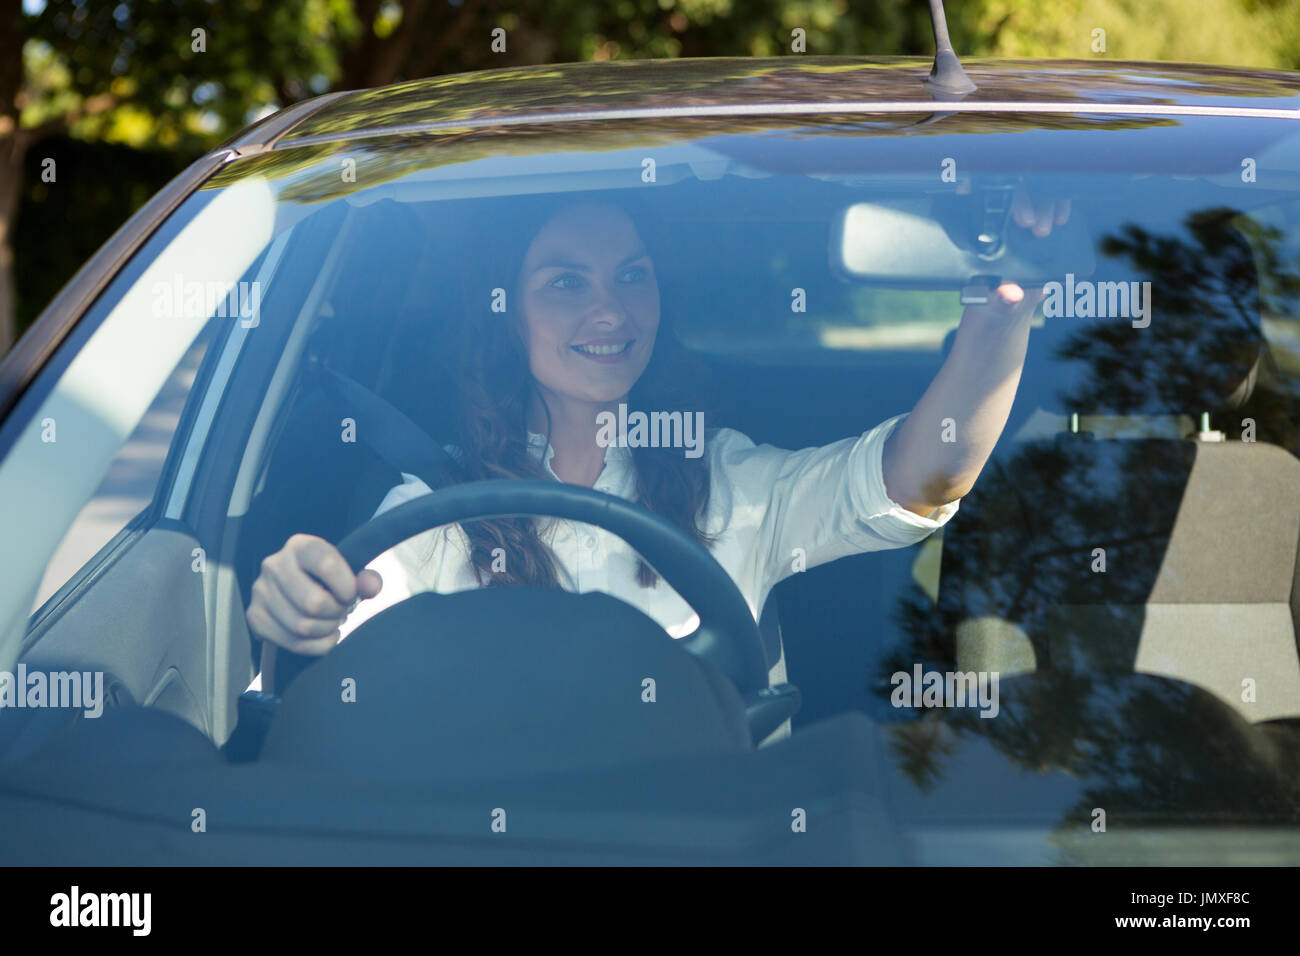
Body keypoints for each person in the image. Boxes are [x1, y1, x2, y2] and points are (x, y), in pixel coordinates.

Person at [244, 191, 1066, 691]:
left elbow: (922, 477)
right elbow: (339, 647)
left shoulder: (728, 483)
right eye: (566, 283)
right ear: (508, 313)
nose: (611, 310)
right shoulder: (431, 512)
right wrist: (299, 606)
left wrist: (1004, 309)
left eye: (632, 275)